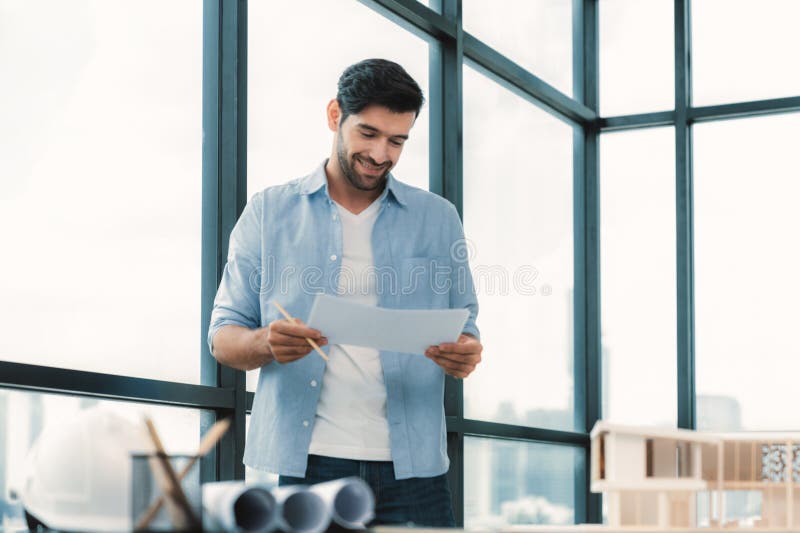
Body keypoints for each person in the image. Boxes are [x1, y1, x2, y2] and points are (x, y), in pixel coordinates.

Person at [208, 58, 482, 526]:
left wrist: (466, 354)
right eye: (368, 134)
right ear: (335, 115)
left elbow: (467, 330)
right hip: (310, 464)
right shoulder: (269, 212)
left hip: (416, 470)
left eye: (397, 141)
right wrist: (264, 343)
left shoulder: (438, 218)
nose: (381, 154)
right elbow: (222, 338)